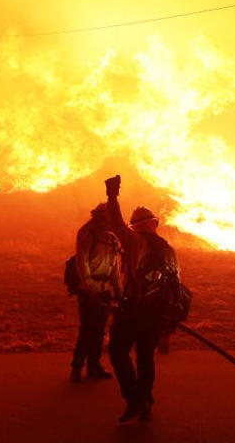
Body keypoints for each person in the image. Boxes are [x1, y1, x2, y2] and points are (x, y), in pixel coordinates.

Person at [104, 174, 181, 422]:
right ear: (154, 224)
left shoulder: (134, 241)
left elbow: (116, 223)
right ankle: (146, 398)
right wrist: (171, 318)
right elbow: (176, 284)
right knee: (146, 357)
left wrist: (112, 196)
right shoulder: (168, 249)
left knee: (117, 350)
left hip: (133, 311)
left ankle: (135, 399)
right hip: (155, 314)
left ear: (135, 226)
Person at [70, 202, 121, 383]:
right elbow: (82, 262)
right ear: (100, 216)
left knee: (99, 330)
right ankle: (77, 367)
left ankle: (94, 367)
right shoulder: (88, 233)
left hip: (105, 290)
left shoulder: (111, 238)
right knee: (87, 330)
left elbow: (114, 266)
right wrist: (90, 286)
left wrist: (117, 290)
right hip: (89, 291)